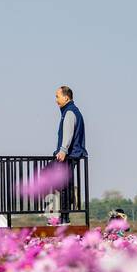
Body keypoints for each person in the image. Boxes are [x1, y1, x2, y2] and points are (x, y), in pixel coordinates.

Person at [51, 86, 87, 223]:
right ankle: (63, 215)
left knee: (61, 185)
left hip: (69, 155)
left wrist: (63, 150)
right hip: (72, 154)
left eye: (57, 96)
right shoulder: (70, 111)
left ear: (66, 97)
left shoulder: (70, 112)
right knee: (62, 184)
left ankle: (64, 217)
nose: (56, 100)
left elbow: (68, 133)